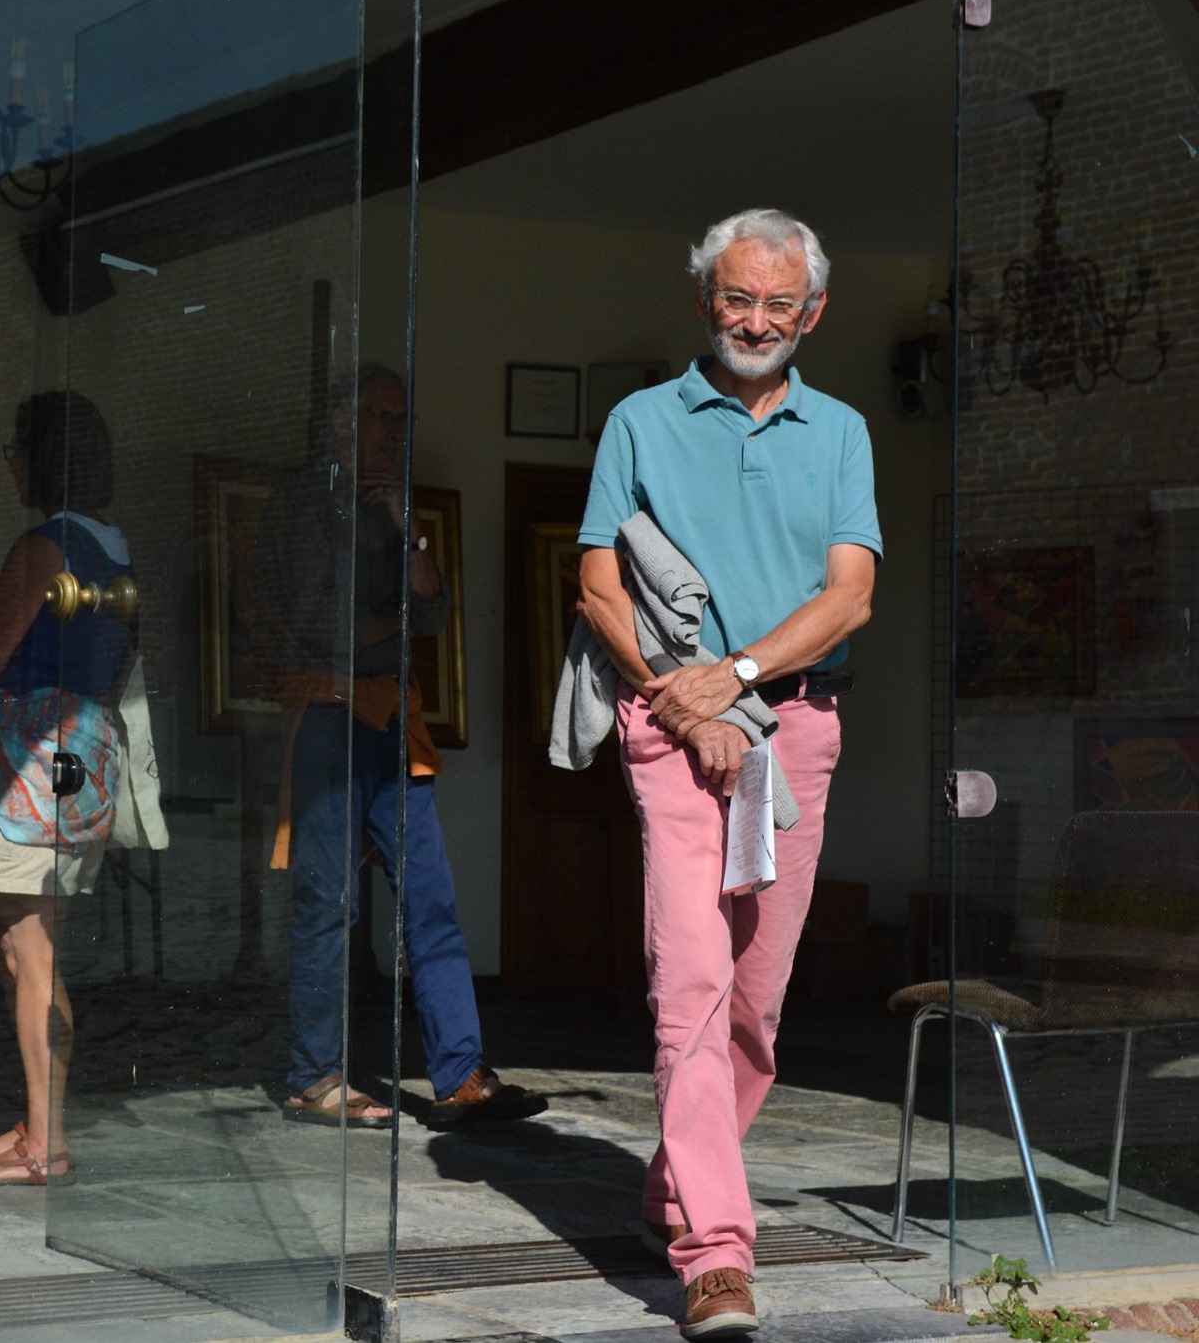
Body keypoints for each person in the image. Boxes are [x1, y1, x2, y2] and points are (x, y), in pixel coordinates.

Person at [571, 209, 880, 1339]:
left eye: (778, 305)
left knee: (755, 1003)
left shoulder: (838, 430)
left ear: (811, 313)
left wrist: (736, 681)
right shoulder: (639, 420)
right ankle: (715, 1251)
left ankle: (674, 1180)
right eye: (737, 299)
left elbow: (848, 596)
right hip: (668, 727)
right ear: (704, 298)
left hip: (793, 730)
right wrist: (679, 697)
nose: (756, 321)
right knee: (689, 981)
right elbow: (598, 586)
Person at [261, 363, 548, 1129]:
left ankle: (458, 1074)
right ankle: (314, 1076)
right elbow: (331, 628)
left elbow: (438, 609)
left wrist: (408, 532)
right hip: (327, 713)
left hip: (390, 717)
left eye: (401, 419)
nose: (395, 432)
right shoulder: (298, 505)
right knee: (329, 902)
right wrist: (399, 617)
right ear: (339, 425)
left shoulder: (394, 507)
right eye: (382, 417)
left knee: (431, 898)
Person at [0, 390, 134, 1187]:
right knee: (19, 938)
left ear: (43, 457)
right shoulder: (113, 549)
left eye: (17, 447)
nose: (11, 463)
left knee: (26, 945)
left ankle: (46, 1142)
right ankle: (39, 1121)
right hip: (85, 758)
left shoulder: (44, 548)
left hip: (27, 763)